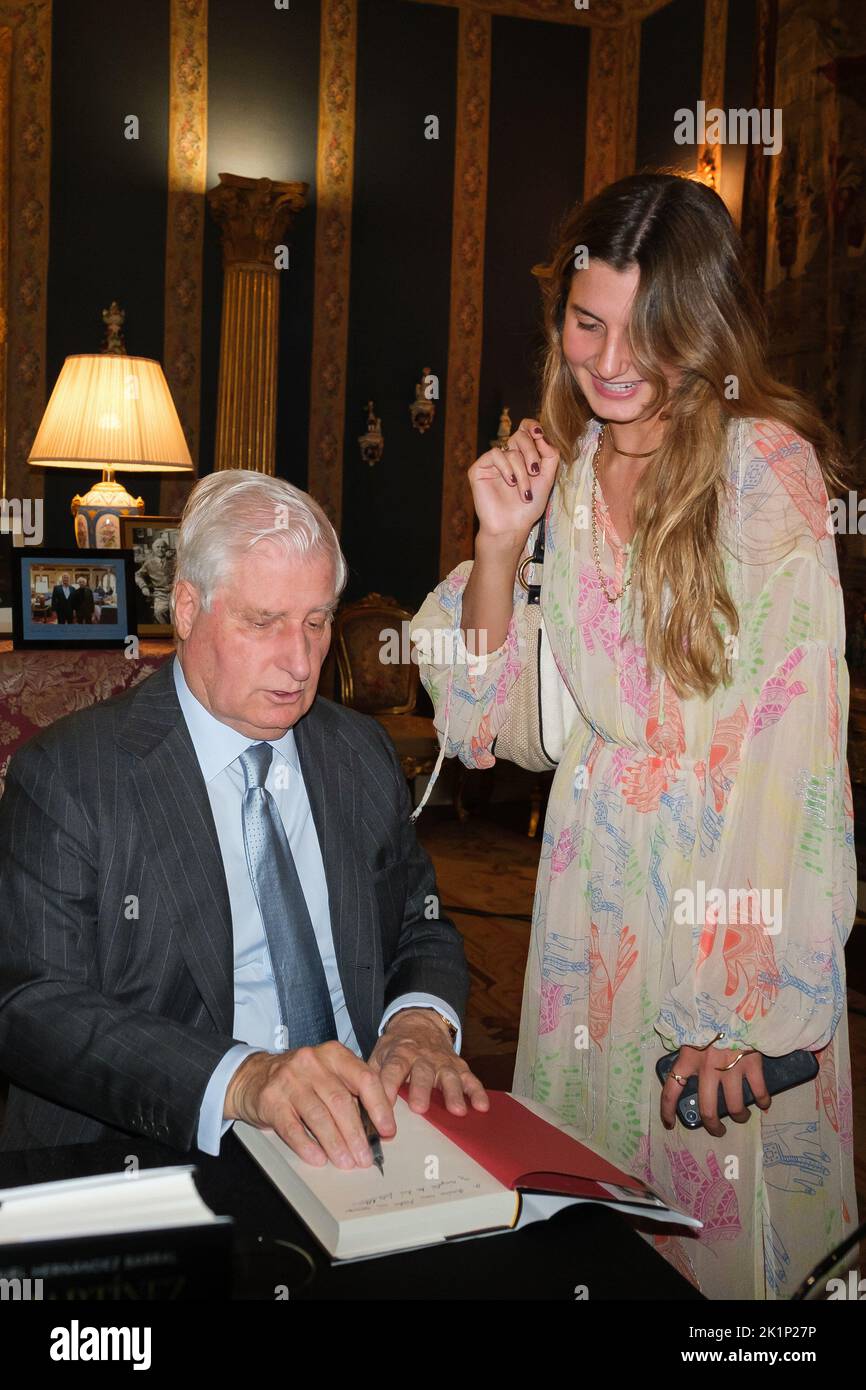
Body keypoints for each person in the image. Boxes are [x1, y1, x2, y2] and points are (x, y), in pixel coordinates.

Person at [412, 172, 858, 1299]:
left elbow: (788, 762)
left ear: (700, 327)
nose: (609, 364)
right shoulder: (561, 481)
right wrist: (501, 544)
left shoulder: (762, 472)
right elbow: (486, 724)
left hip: (721, 907)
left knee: (719, 1258)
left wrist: (737, 1015)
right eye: (584, 323)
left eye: (644, 333)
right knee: (596, 1245)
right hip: (587, 900)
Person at [0, 470, 486, 1161]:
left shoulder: (358, 752)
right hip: (167, 1142)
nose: (299, 660)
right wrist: (242, 1078)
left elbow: (420, 922)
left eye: (317, 622)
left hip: (369, 1125)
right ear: (190, 609)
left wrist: (417, 1020)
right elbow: (32, 1009)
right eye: (264, 622)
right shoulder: (73, 776)